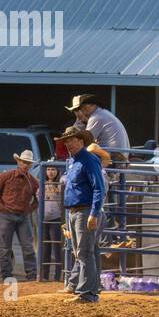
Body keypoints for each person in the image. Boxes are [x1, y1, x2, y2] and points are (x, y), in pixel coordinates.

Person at [58, 125, 106, 303]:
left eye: (71, 140)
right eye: (66, 140)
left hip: (84, 210)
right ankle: (91, 290)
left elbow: (98, 188)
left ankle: (86, 293)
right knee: (87, 251)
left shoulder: (88, 160)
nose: (68, 143)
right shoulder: (74, 161)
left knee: (83, 253)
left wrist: (94, 213)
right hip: (76, 210)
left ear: (80, 141)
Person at [0, 149, 40, 281]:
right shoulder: (7, 176)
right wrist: (0, 206)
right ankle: (7, 274)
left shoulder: (33, 181)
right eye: (24, 162)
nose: (25, 165)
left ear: (30, 165)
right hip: (7, 214)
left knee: (27, 246)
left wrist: (30, 208)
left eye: (28, 163)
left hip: (22, 215)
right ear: (19, 162)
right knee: (5, 247)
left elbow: (39, 197)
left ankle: (31, 275)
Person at [65, 94, 131, 161]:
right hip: (118, 158)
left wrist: (79, 125)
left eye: (80, 108)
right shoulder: (102, 113)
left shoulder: (96, 117)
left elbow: (85, 141)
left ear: (91, 105)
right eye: (75, 110)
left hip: (114, 159)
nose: (80, 112)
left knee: (83, 153)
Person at [41, 164, 65, 281]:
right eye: (48, 169)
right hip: (44, 218)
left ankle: (57, 275)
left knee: (57, 247)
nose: (50, 172)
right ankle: (44, 275)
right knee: (45, 247)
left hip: (56, 218)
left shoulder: (60, 185)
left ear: (57, 171)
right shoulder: (42, 184)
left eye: (53, 170)